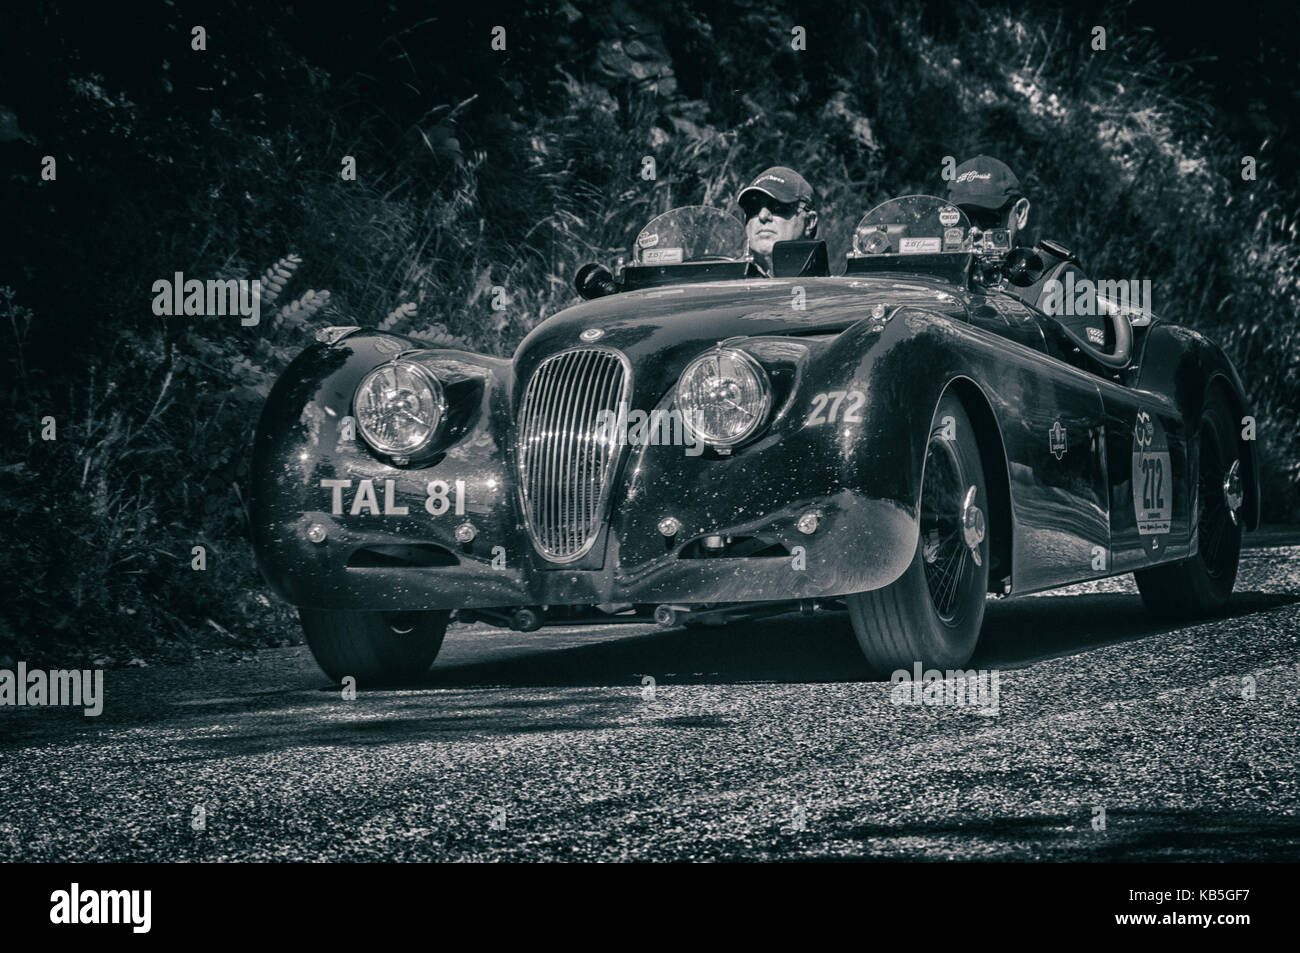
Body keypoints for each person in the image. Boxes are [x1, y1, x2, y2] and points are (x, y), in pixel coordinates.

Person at [737, 166, 819, 276]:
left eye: (777, 206)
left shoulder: (831, 290)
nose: (762, 216)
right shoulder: (725, 285)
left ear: (809, 222)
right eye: (753, 208)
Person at [946, 155, 1031, 245]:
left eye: (988, 218)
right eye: (962, 221)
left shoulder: (1040, 259)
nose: (973, 232)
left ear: (1021, 214)